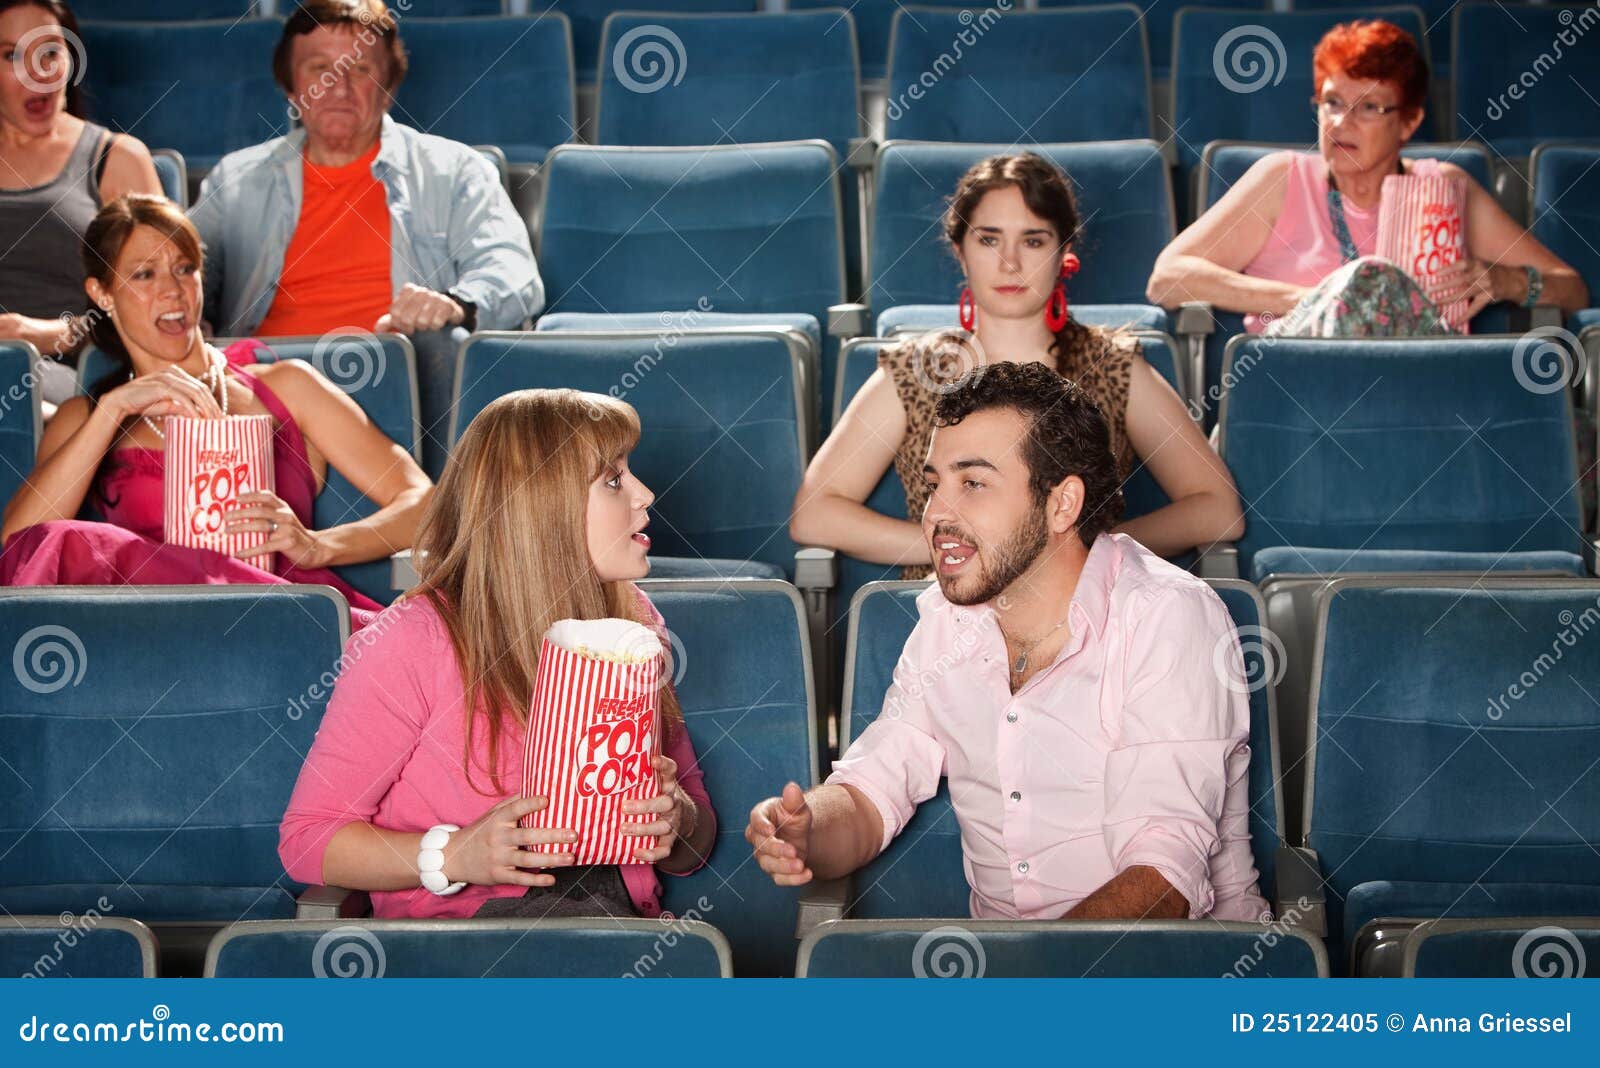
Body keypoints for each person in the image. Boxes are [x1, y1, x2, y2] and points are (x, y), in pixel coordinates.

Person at [750, 361, 1268, 922]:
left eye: (972, 484)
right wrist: (805, 831)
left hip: (1184, 976)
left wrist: (1025, 983)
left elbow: (1162, 880)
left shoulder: (1169, 617)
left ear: (1062, 504)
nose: (936, 516)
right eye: (934, 485)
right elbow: (870, 792)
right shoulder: (947, 623)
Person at [278, 389, 716, 920]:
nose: (644, 494)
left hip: (618, 938)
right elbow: (308, 839)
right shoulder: (411, 639)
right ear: (541, 506)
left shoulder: (636, 622)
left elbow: (694, 847)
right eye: (613, 479)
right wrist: (454, 853)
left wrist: (679, 819)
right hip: (465, 955)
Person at [792, 153, 1242, 572]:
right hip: (949, 613)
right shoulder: (918, 369)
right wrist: (959, 546)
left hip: (1085, 610)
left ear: (1063, 253)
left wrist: (1086, 549)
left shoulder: (1113, 365)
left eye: (1033, 240)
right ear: (960, 251)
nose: (1010, 263)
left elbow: (1218, 508)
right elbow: (814, 514)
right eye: (989, 239)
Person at [0, 194, 431, 629]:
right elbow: (23, 548)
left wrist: (320, 546)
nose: (173, 290)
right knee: (65, 540)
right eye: (144, 274)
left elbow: (425, 502)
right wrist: (115, 409)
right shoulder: (87, 417)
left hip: (284, 623)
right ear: (102, 293)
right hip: (160, 637)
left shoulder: (287, 386)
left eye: (185, 268)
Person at [188, 0, 542, 476]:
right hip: (265, 386)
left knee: (442, 339)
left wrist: (456, 303)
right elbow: (184, 266)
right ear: (291, 88)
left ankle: (438, 526)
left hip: (400, 376)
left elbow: (513, 269)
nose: (339, 86)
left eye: (359, 68)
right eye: (319, 69)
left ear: (389, 87)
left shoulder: (455, 170)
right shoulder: (236, 180)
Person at [1146, 18, 1588, 335]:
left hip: (1421, 398)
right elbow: (1167, 277)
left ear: (1410, 122)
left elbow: (1572, 290)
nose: (1340, 123)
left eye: (1369, 107)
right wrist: (1312, 299)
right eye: (1332, 102)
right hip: (1299, 394)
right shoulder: (1283, 178)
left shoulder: (1445, 187)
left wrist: (1505, 281)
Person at [0, 0, 162, 406]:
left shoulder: (118, 159)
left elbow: (159, 304)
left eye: (49, 52)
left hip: (70, 379)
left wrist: (44, 334)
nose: (36, 73)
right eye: (11, 55)